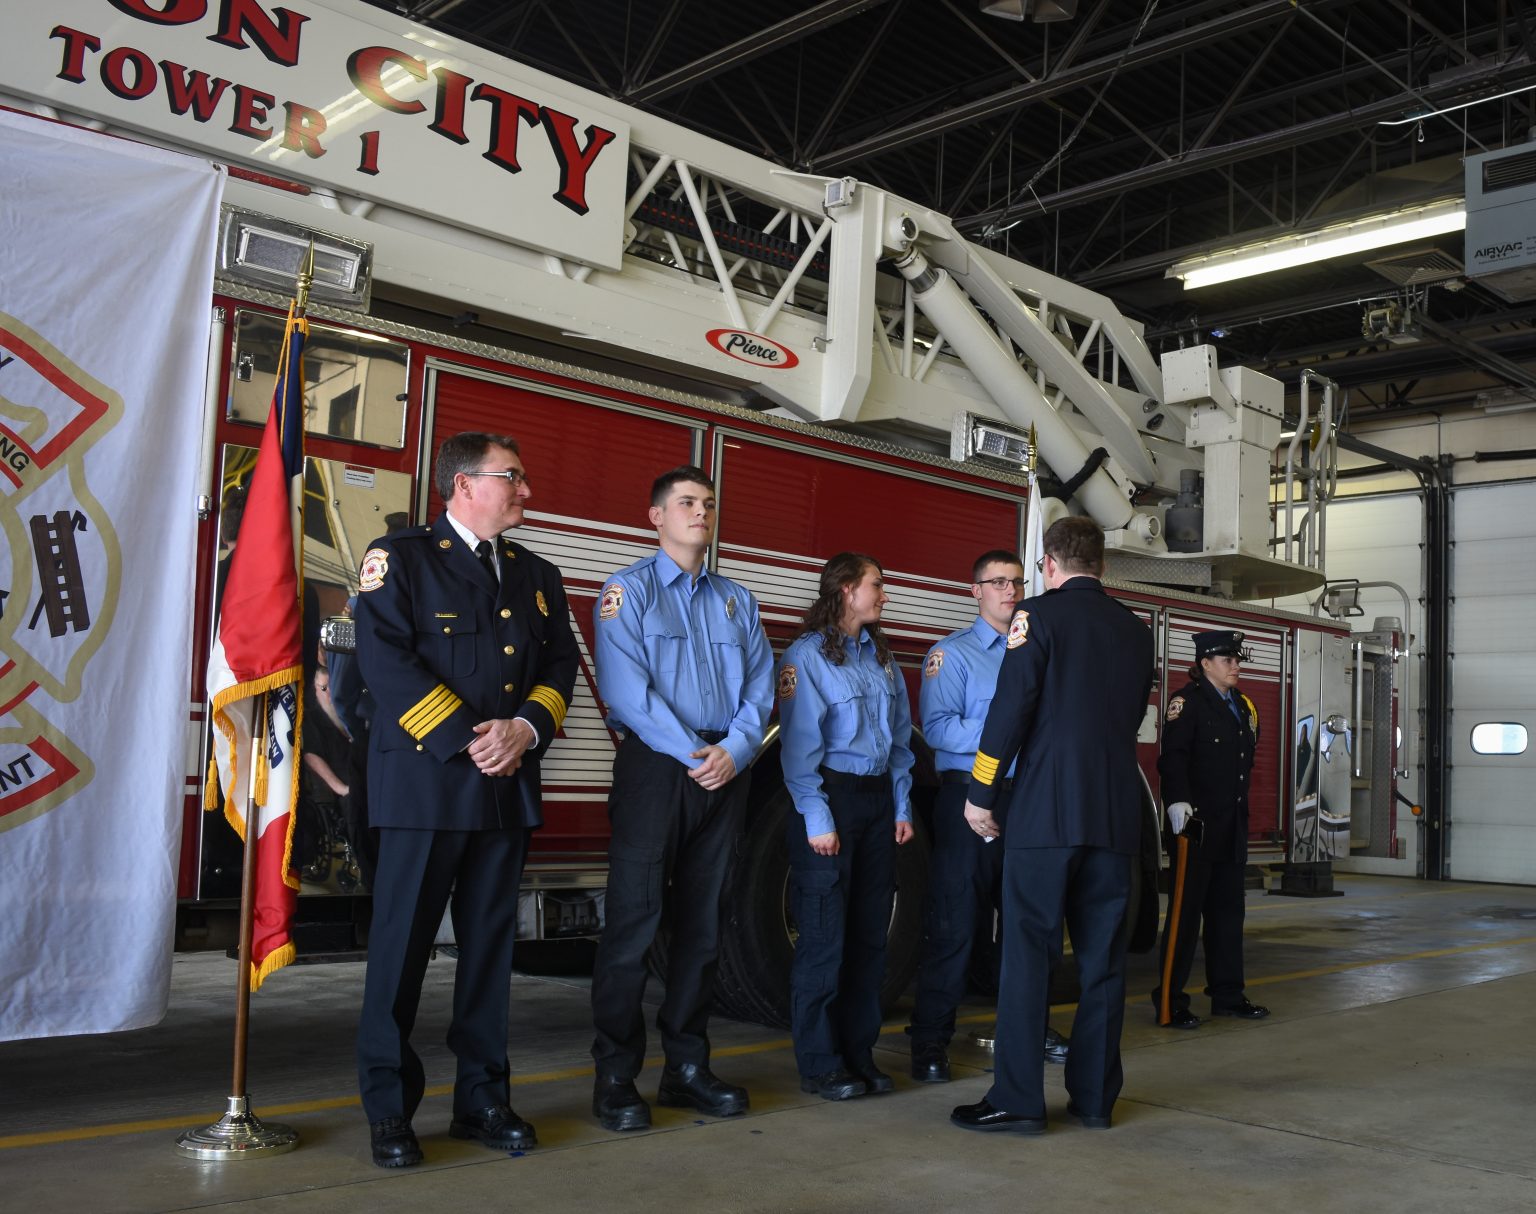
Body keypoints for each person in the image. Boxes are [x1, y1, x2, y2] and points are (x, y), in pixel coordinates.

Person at [353, 431, 578, 1169]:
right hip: (425, 786)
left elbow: (558, 667)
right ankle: (390, 1112)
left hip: (504, 789)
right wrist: (467, 738)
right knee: (400, 956)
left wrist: (523, 729)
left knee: (489, 958)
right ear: (464, 486)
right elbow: (385, 660)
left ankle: (483, 1100)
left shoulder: (538, 574)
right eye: (513, 477)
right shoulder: (403, 559)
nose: (526, 491)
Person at [950, 516, 1153, 1135]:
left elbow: (1011, 709)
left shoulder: (1036, 618)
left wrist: (981, 789)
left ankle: (1017, 1100)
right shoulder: (1136, 630)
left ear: (1049, 564)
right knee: (1102, 964)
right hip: (1117, 816)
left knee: (1028, 958)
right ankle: (1094, 1099)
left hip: (1045, 813)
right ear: (1103, 567)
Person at [588, 466, 774, 1132]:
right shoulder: (626, 594)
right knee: (633, 927)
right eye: (687, 503)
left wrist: (739, 749)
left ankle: (686, 1069)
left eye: (709, 504)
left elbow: (761, 689)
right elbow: (626, 692)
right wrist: (696, 752)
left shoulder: (737, 601)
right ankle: (614, 1078)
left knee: (703, 929)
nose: (701, 513)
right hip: (658, 771)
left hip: (725, 771)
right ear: (655, 517)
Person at [908, 551, 1070, 1083]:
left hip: (1029, 798)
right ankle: (930, 1039)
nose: (1009, 590)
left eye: (1015, 581)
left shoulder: (1038, 653)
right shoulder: (951, 656)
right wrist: (1002, 740)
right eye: (996, 582)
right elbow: (937, 729)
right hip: (969, 798)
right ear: (975, 591)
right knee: (954, 922)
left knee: (1032, 925)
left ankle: (1031, 1028)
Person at [778, 553, 916, 1102]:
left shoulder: (881, 657)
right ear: (844, 591)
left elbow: (902, 742)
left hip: (878, 801)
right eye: (876, 585)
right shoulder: (805, 659)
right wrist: (817, 817)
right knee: (823, 941)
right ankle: (819, 1064)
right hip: (830, 802)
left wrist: (902, 807)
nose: (884, 594)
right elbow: (797, 750)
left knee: (868, 941)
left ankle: (859, 1055)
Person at [1152, 629, 1269, 1029]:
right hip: (1195, 825)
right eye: (1226, 659)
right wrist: (1177, 801)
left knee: (1227, 915)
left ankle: (1228, 996)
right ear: (1205, 663)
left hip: (1230, 825)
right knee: (1185, 918)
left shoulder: (1243, 705)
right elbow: (1173, 759)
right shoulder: (1187, 703)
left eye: (1237, 659)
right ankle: (1170, 1001)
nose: (1235, 666)